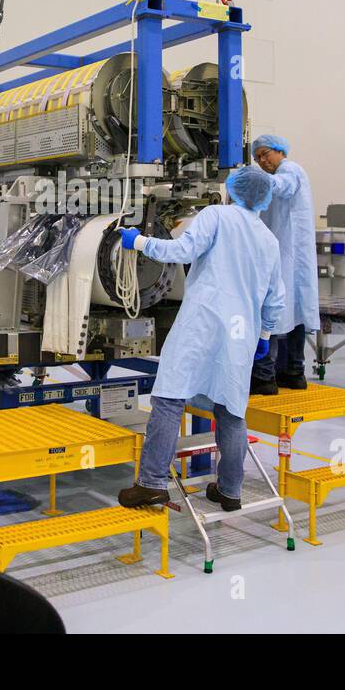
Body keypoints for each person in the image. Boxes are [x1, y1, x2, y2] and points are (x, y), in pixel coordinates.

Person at [118, 167, 285, 512]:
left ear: (233, 191)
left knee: (168, 397)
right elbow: (275, 297)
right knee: (231, 409)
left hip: (203, 322)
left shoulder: (216, 215)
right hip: (241, 333)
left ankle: (151, 484)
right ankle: (229, 491)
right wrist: (265, 333)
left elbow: (183, 251)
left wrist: (139, 242)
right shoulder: (269, 238)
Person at [250, 134, 319, 395]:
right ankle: (293, 372)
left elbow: (283, 186)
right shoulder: (280, 173)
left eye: (265, 154)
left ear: (280, 151)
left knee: (276, 314)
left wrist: (246, 176)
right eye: (257, 158)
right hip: (290, 255)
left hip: (284, 256)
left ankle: (265, 378)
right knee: (295, 314)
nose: (262, 160)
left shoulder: (290, 170)